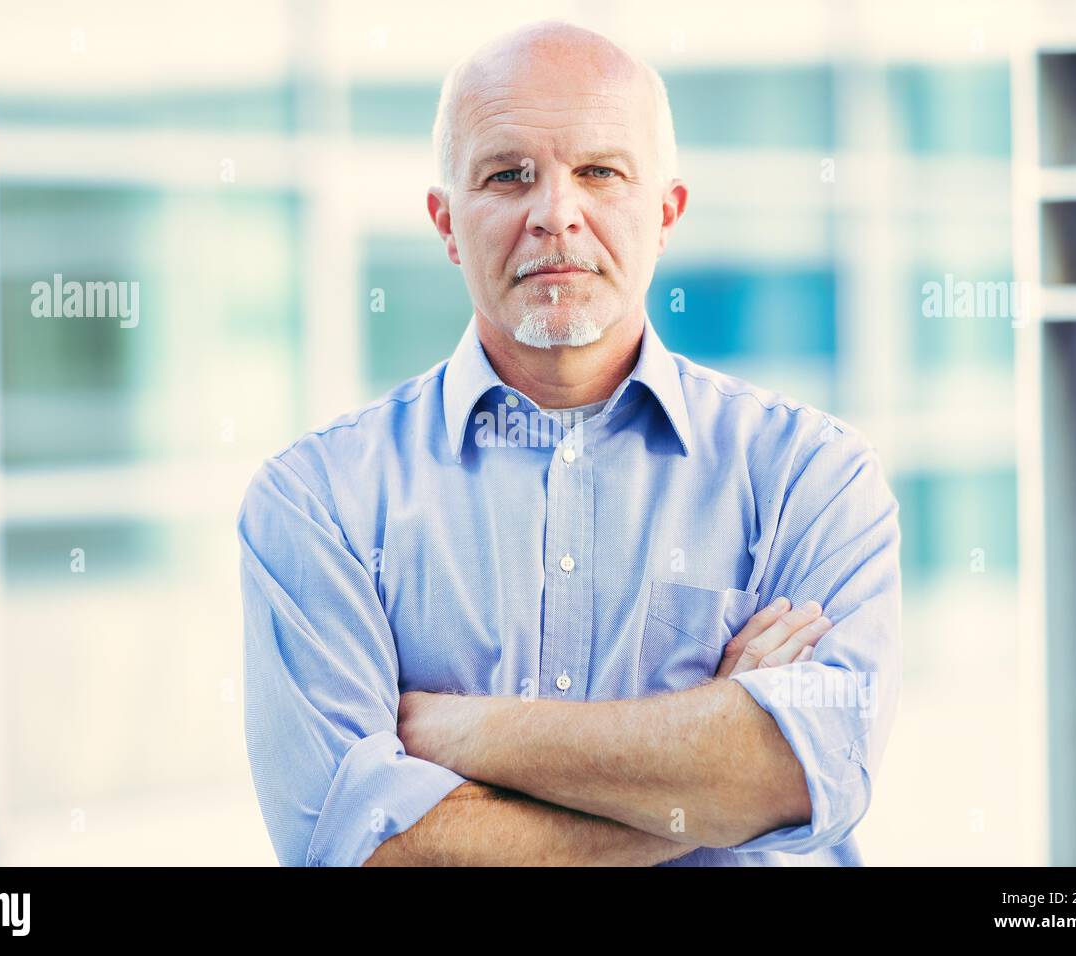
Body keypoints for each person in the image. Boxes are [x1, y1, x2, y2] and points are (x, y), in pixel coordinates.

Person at [238, 19, 901, 866]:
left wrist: (469, 732)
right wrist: (707, 765)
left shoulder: (812, 476)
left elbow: (801, 774)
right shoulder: (319, 500)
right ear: (446, 223)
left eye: (600, 172)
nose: (556, 213)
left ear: (666, 212)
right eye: (508, 176)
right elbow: (369, 854)